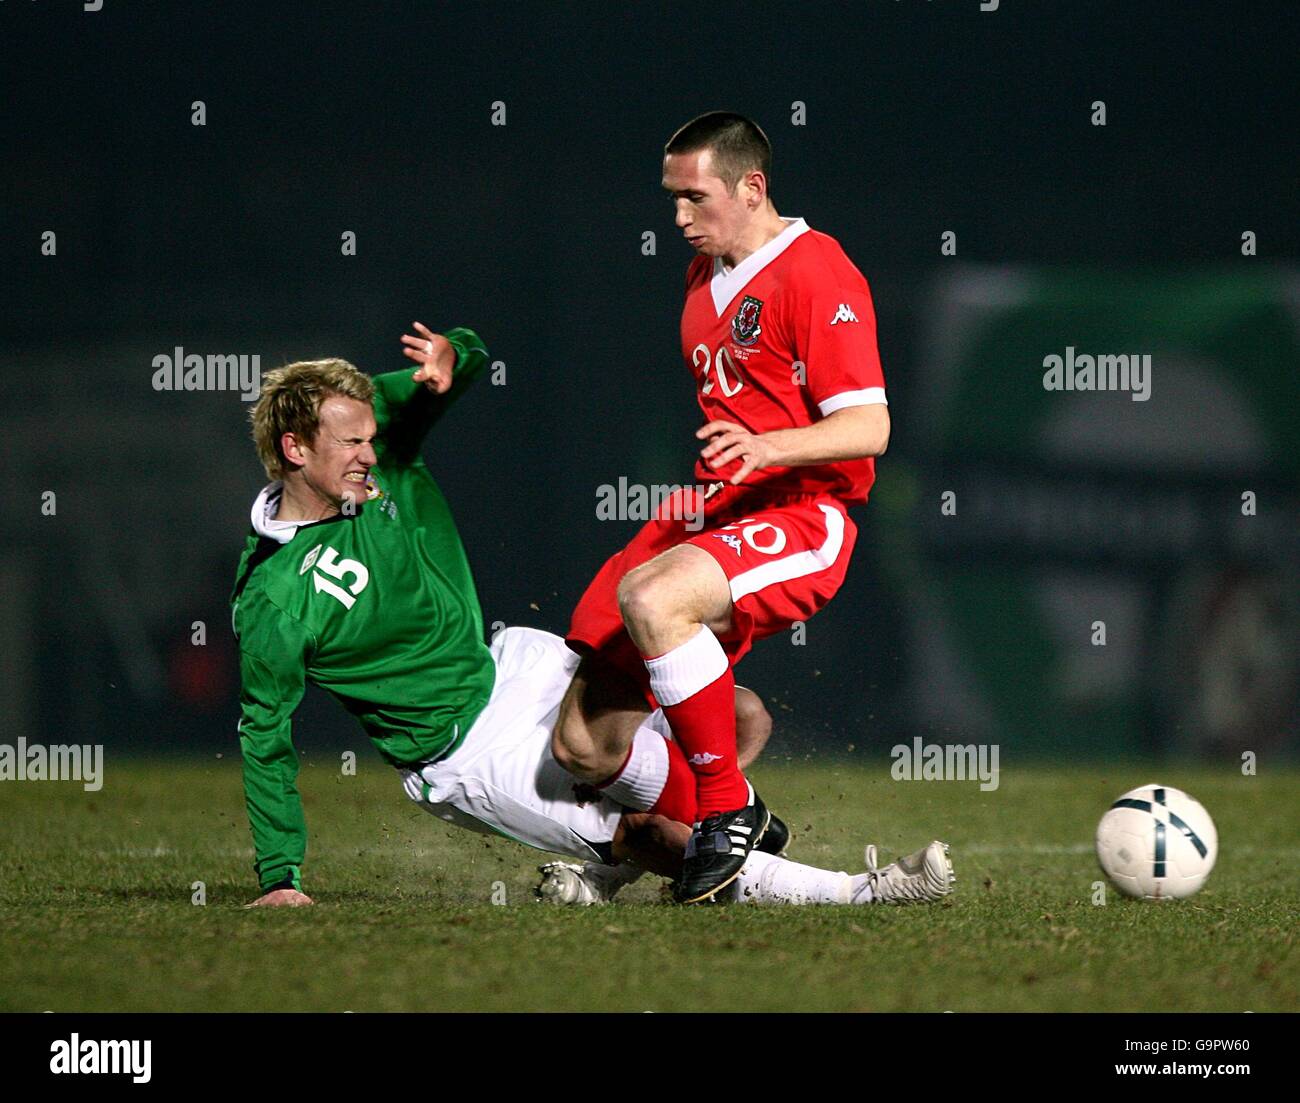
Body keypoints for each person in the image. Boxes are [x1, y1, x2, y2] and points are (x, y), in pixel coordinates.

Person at [231, 326, 952, 908]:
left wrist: (460, 354)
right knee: (655, 831)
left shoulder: (374, 439)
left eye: (368, 437)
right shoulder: (272, 599)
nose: (369, 452)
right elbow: (265, 738)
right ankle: (859, 892)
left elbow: (462, 357)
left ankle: (611, 872)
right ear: (294, 450)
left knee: (741, 718)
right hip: (467, 749)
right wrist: (281, 877)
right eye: (350, 444)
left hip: (513, 661)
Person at [553, 112, 892, 903]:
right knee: (583, 741)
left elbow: (869, 427)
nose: (677, 218)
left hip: (806, 510)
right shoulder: (703, 277)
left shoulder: (818, 271)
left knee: (653, 598)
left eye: (693, 197)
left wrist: (769, 448)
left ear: (752, 186)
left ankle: (725, 806)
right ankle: (728, 750)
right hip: (713, 508)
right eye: (670, 198)